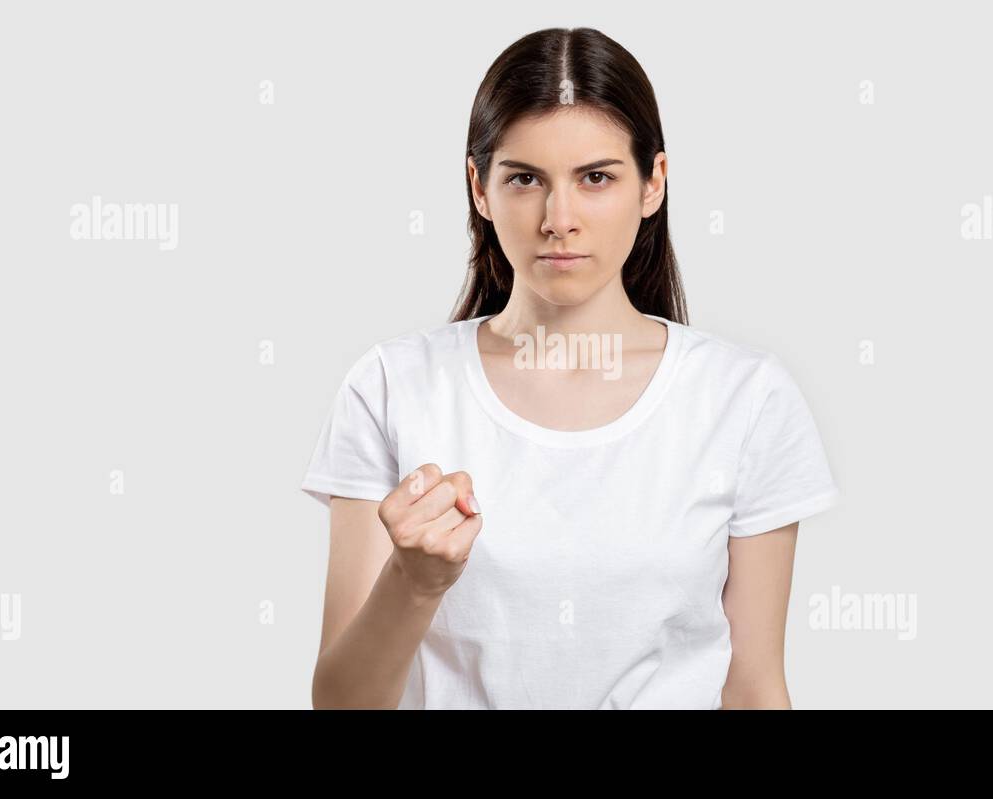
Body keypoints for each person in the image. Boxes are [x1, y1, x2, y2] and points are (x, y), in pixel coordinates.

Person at [301, 27, 840, 709]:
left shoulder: (745, 399)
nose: (560, 218)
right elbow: (340, 702)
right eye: (525, 178)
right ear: (480, 187)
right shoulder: (389, 388)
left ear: (653, 183)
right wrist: (415, 581)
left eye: (596, 178)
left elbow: (755, 687)